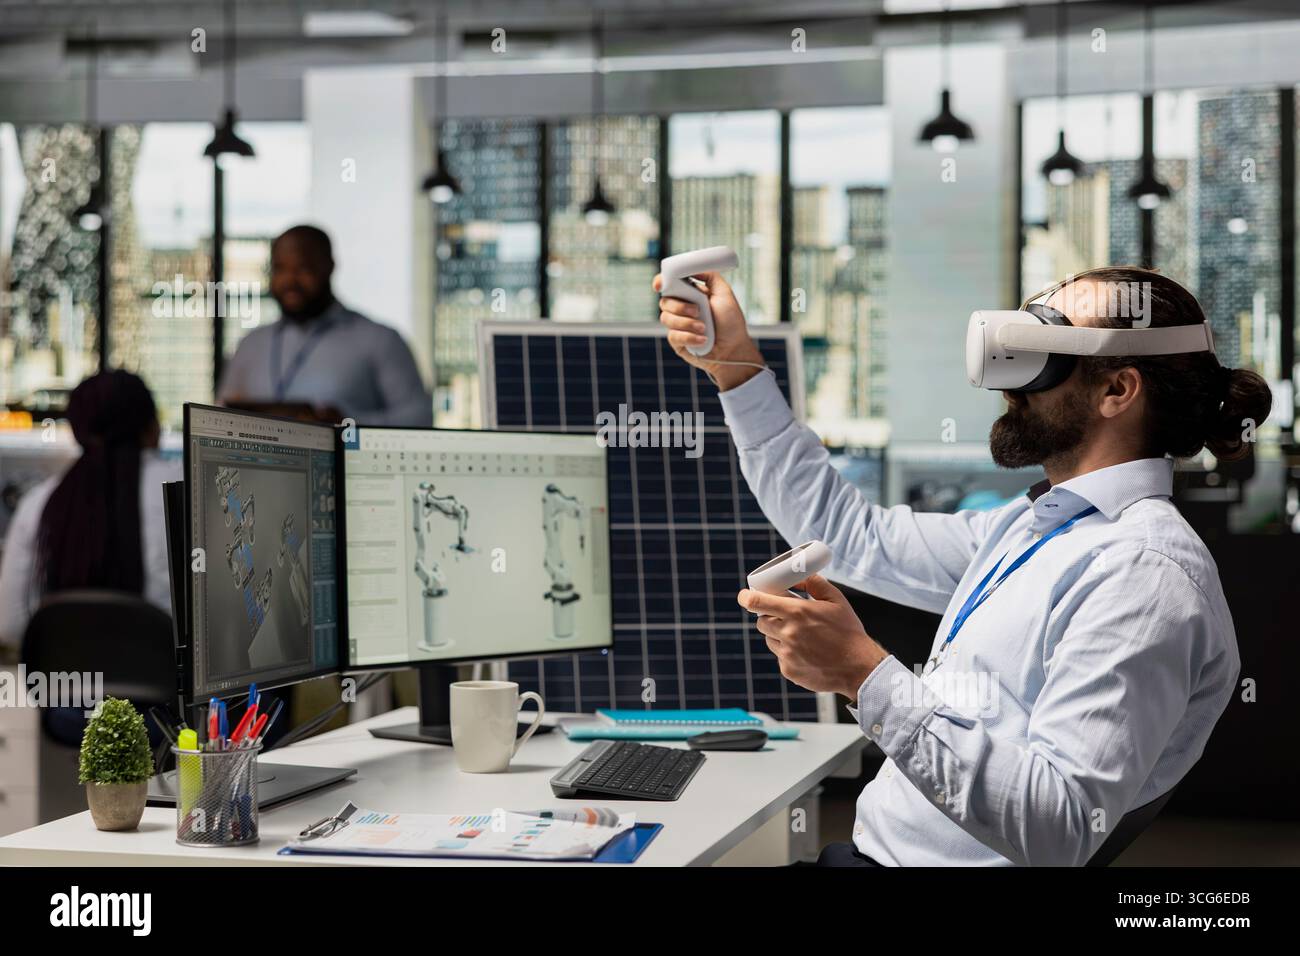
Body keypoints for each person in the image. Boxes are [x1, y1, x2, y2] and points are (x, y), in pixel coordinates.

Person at [657, 265, 1272, 867]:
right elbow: (850, 535)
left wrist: (862, 674)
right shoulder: (1032, 527)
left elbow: (1058, 829)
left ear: (1118, 391)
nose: (1009, 385)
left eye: (1041, 355)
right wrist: (735, 369)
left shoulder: (1143, 573)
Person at [0, 370, 180, 649]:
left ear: (78, 429)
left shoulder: (38, 503)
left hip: (64, 687)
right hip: (168, 688)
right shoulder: (188, 490)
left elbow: (10, 627)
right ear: (152, 426)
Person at [218, 224, 432, 426]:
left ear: (329, 266)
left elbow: (420, 419)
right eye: (280, 268)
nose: (289, 280)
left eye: (303, 268)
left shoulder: (379, 340)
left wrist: (348, 424)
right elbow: (220, 414)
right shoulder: (251, 344)